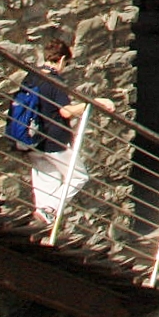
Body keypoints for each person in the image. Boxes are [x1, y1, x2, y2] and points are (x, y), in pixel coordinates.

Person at [22, 37, 110, 225]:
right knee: (78, 176)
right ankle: (50, 209)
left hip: (31, 138)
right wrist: (94, 103)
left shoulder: (30, 77)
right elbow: (65, 111)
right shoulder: (54, 81)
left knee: (47, 179)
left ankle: (43, 219)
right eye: (66, 64)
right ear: (61, 60)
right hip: (54, 139)